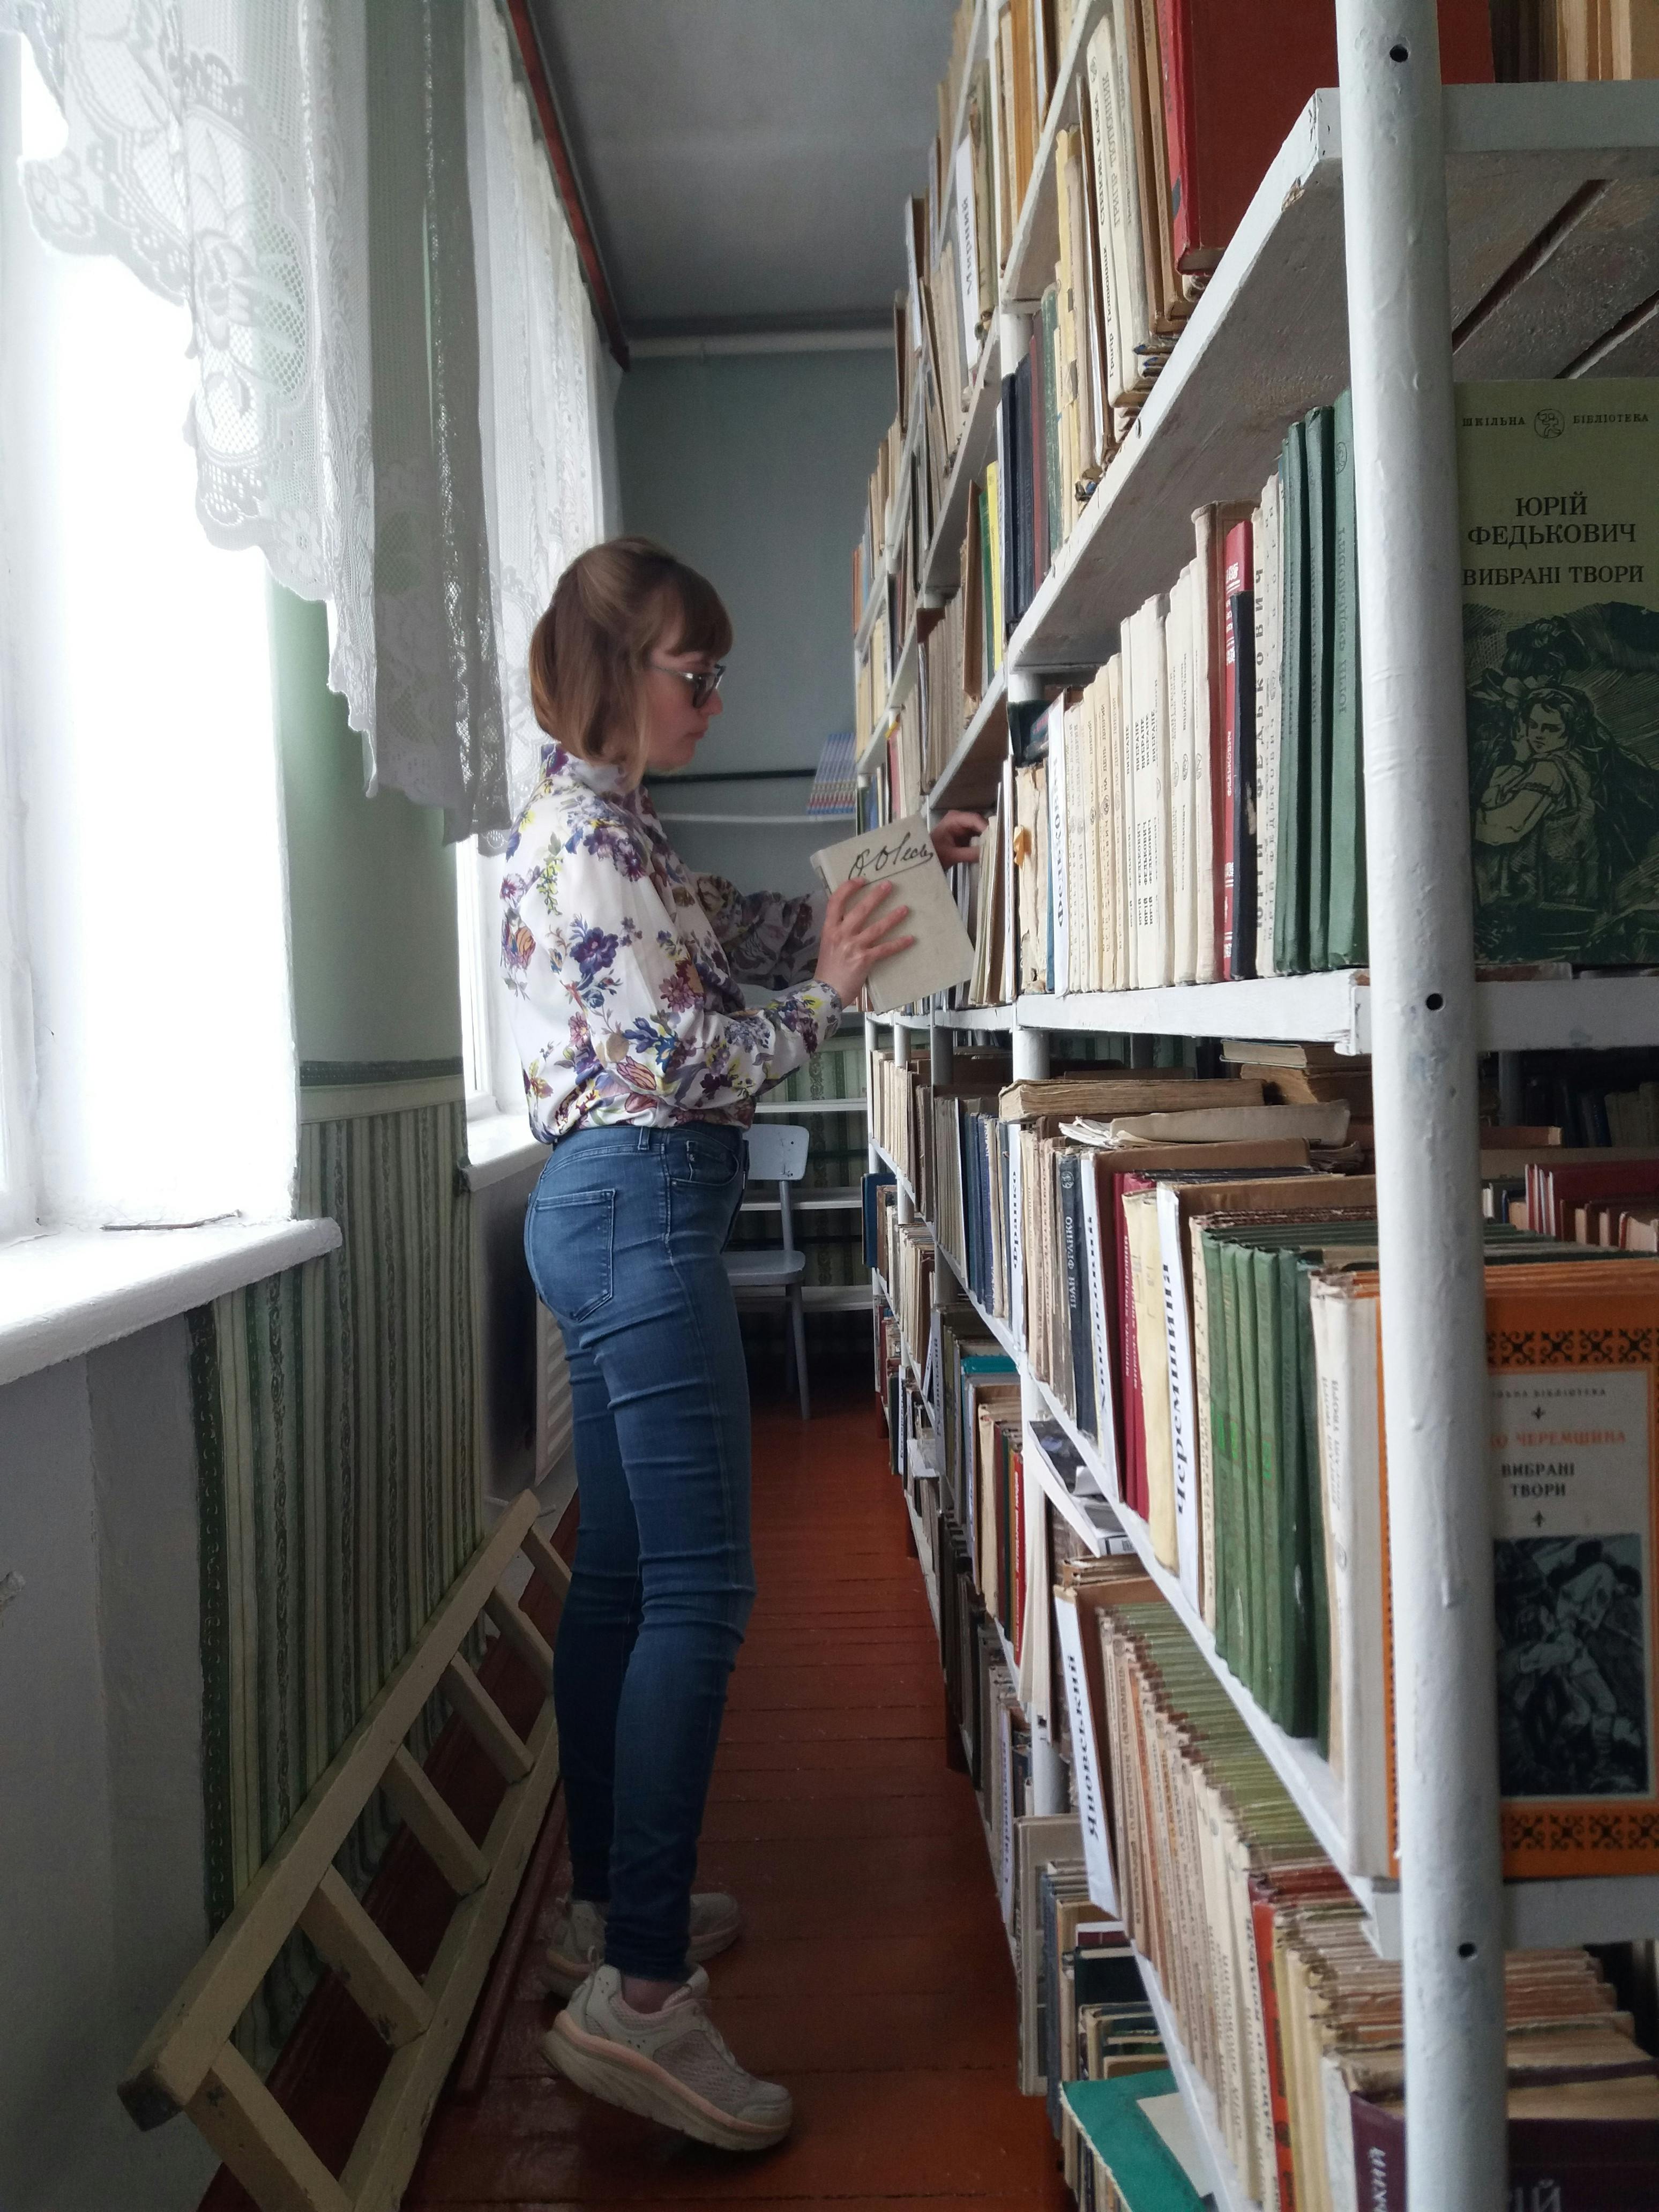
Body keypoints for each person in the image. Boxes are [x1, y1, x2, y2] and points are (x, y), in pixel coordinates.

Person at [499, 536, 983, 2152]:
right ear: (617, 669)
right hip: (637, 1199)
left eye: (715, 676)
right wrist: (839, 1003)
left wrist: (908, 874)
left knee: (632, 1581)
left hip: (613, 1207)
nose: (714, 697)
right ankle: (640, 2002)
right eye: (692, 672)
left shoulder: (618, 831)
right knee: (702, 1592)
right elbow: (686, 1055)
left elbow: (756, 930)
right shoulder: (586, 837)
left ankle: (604, 1912)